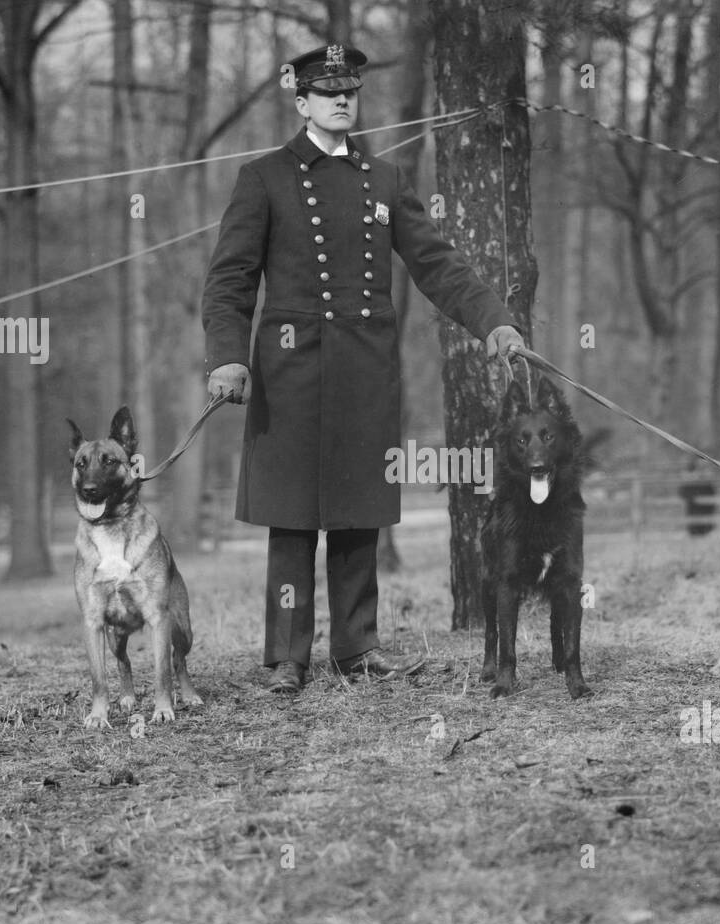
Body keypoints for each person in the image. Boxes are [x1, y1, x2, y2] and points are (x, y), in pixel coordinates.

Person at [201, 44, 525, 694]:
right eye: (327, 92)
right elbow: (230, 279)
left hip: (366, 370)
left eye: (349, 91)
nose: (342, 100)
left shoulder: (386, 180)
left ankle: (356, 649)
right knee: (291, 519)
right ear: (302, 103)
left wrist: (494, 320)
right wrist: (228, 357)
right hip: (289, 374)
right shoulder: (262, 178)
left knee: (357, 515)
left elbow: (436, 263)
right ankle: (287, 656)